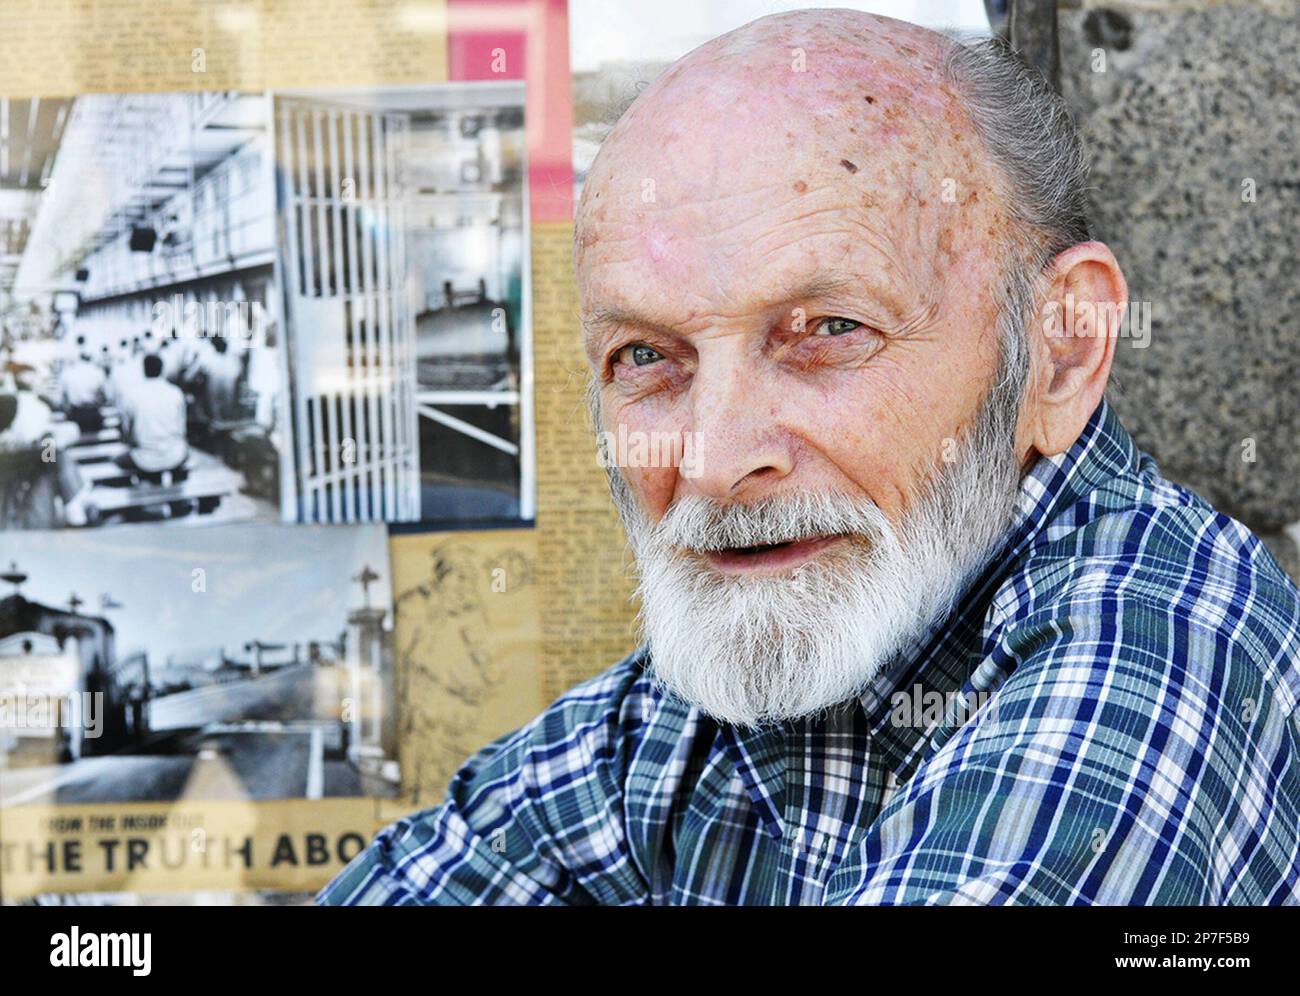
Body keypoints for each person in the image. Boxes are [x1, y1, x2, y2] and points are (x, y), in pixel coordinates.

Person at [321, 11, 1300, 906]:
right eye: (646, 357)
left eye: (827, 328)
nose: (712, 461)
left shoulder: (1167, 642)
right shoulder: (710, 702)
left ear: (1060, 346)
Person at [118, 352, 187, 476]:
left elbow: (126, 433)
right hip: (175, 456)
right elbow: (182, 430)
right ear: (162, 370)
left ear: (143, 370)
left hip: (144, 460)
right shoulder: (176, 393)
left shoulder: (131, 395)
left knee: (116, 460)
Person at [57, 341, 107, 433]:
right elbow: (104, 397)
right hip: (93, 415)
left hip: (75, 414)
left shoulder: (67, 372)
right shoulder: (98, 372)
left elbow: (61, 400)